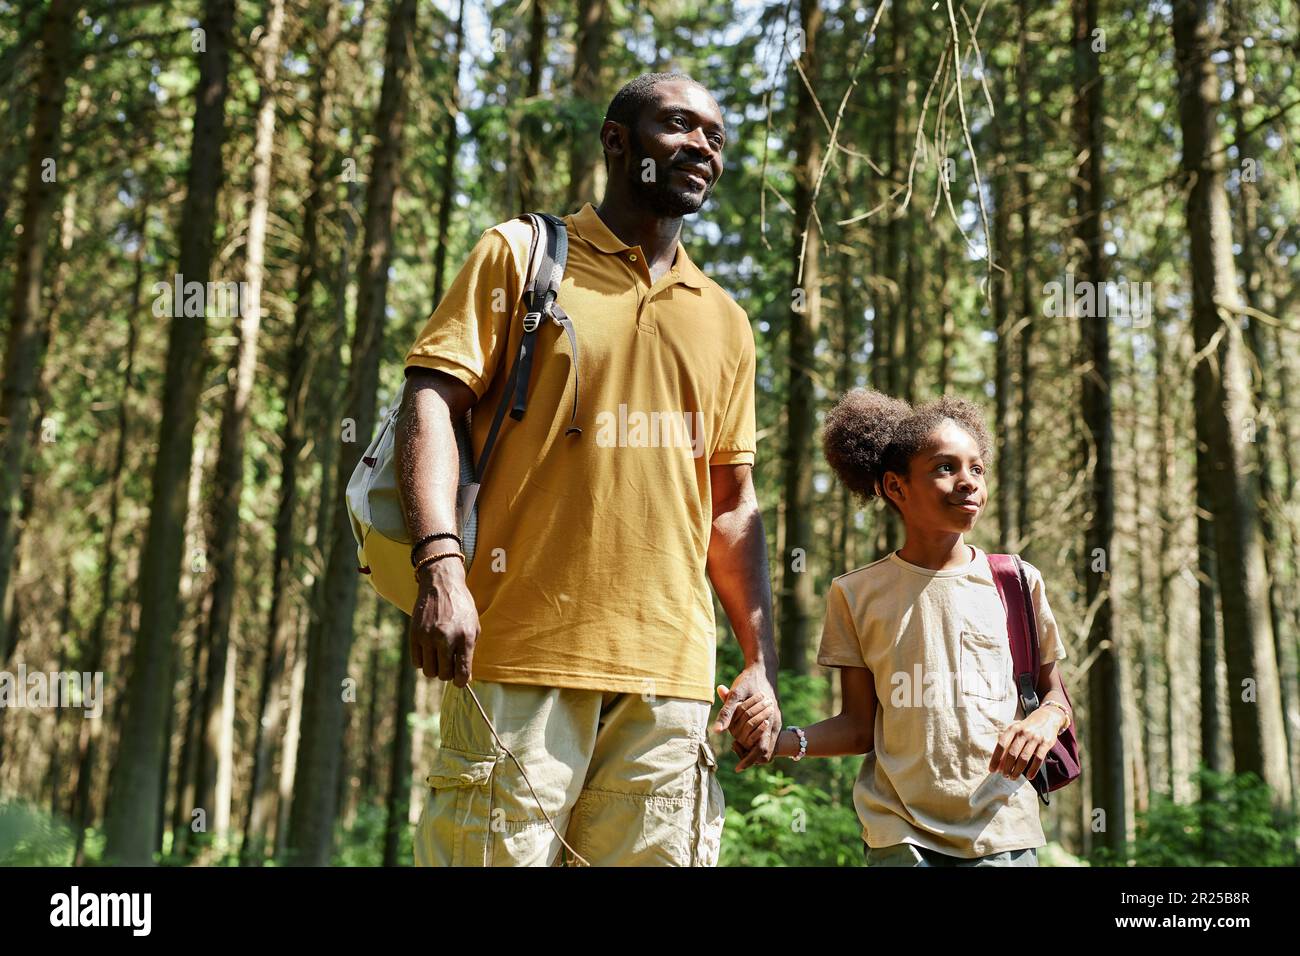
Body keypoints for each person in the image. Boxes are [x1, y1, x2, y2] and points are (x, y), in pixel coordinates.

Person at [398, 71, 780, 867]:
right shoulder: (521, 256)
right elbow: (431, 398)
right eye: (680, 126)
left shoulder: (726, 320)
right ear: (617, 142)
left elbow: (732, 506)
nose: (704, 148)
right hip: (517, 655)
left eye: (716, 136)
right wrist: (439, 565)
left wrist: (759, 663)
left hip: (670, 688)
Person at [727, 388, 1073, 867]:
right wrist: (778, 742)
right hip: (900, 836)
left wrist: (1044, 721)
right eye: (945, 468)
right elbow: (858, 726)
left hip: (1004, 833)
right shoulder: (856, 594)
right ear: (895, 487)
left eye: (976, 468)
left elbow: (1055, 696)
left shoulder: (1016, 581)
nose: (968, 482)